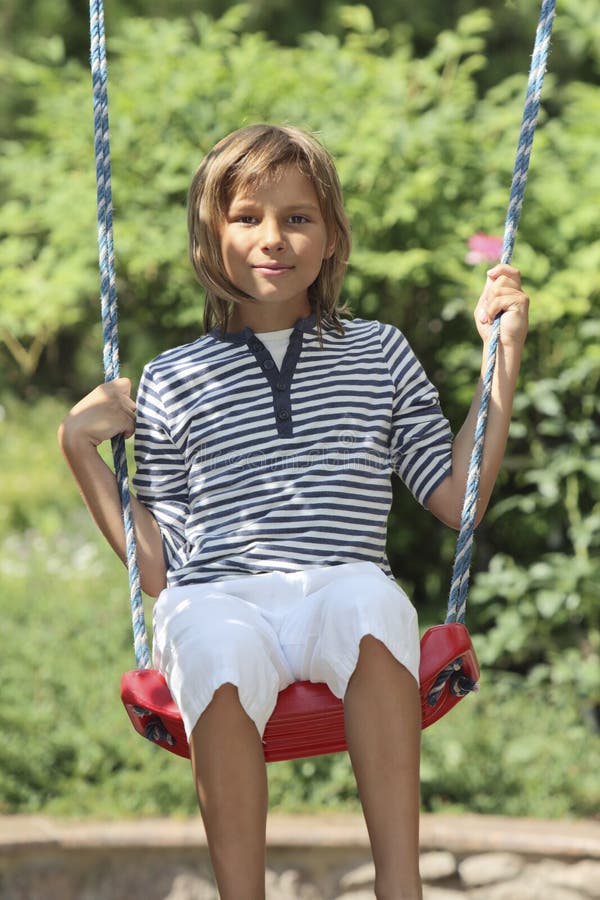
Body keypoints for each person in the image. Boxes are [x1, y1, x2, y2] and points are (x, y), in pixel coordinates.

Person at [58, 124, 529, 900]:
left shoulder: (379, 352)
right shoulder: (174, 378)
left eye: (298, 217)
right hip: (214, 592)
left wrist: (499, 356)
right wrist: (80, 448)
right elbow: (156, 569)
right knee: (217, 647)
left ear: (332, 235)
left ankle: (399, 889)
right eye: (247, 217)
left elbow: (458, 497)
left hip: (337, 584)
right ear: (212, 237)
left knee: (376, 604)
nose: (272, 239)